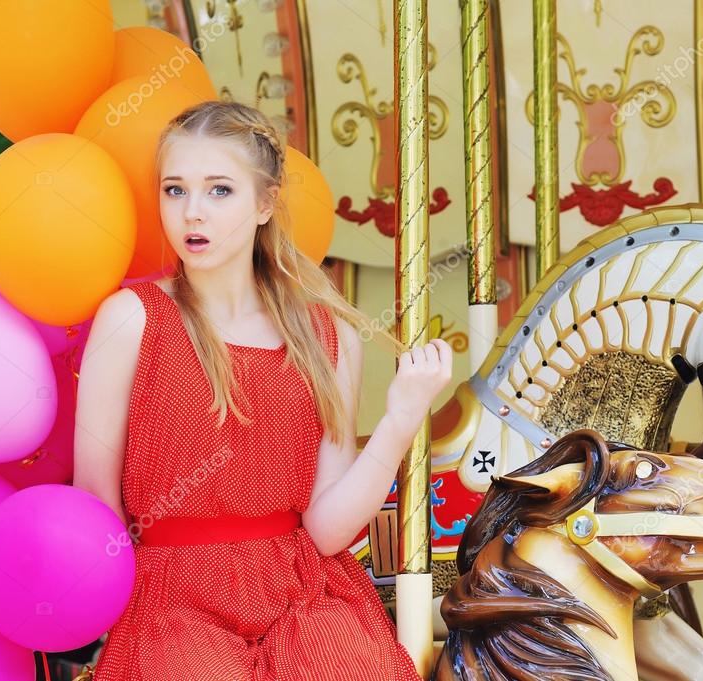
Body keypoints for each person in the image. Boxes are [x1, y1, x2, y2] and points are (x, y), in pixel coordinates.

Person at [73, 100, 452, 681]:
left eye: (219, 190)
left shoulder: (329, 334)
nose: (192, 213)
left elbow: (326, 529)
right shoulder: (131, 321)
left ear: (265, 203)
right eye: (175, 191)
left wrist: (401, 419)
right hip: (170, 597)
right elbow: (96, 502)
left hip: (300, 590)